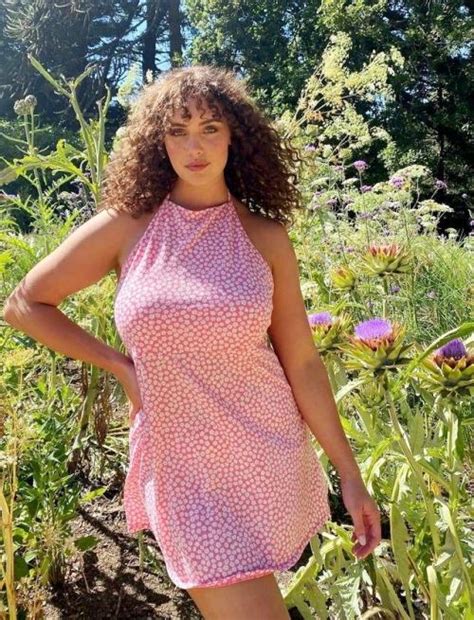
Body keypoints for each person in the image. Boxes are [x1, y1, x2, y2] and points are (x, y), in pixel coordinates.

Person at [3, 64, 381, 619]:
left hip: (263, 455)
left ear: (235, 137)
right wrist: (121, 367)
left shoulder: (264, 237)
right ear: (158, 141)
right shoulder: (128, 226)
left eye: (210, 128)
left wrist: (349, 474)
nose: (194, 147)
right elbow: (24, 305)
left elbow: (301, 361)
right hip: (181, 467)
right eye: (177, 131)